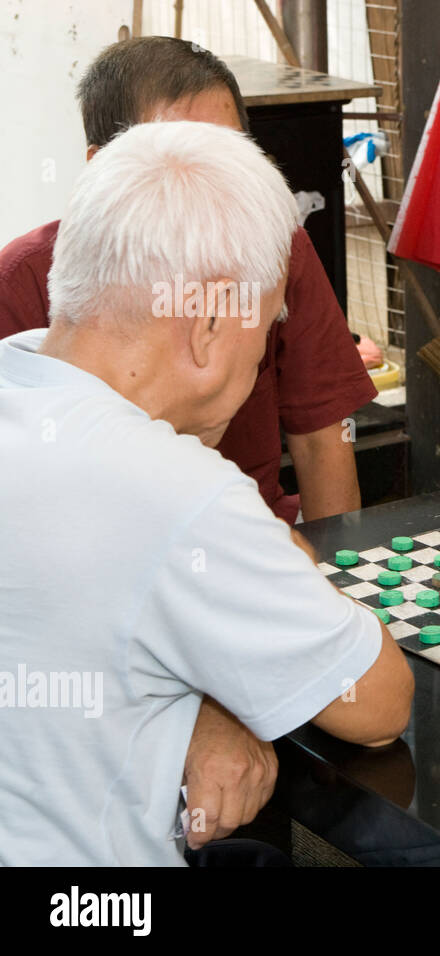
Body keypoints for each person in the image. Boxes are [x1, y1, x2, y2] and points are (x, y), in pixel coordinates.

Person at [0, 120, 414, 866]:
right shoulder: (175, 492)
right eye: (270, 320)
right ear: (214, 318)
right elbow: (380, 706)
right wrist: (284, 553)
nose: (265, 353)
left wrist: (204, 709)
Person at [0, 36, 376, 524]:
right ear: (101, 169)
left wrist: (336, 570)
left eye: (233, 160)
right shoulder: (22, 279)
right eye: (181, 163)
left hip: (255, 539)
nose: (218, 187)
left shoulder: (277, 252)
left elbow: (324, 432)